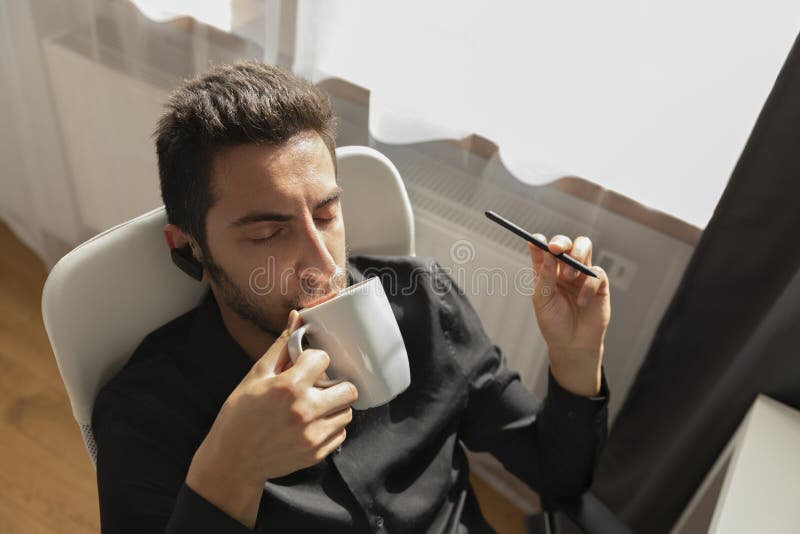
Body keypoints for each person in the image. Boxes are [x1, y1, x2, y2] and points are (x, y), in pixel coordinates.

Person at [92, 61, 611, 533]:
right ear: (189, 248)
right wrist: (230, 470)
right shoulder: (143, 416)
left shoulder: (424, 304)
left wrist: (576, 354)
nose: (323, 265)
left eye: (325, 215)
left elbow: (557, 475)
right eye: (268, 233)